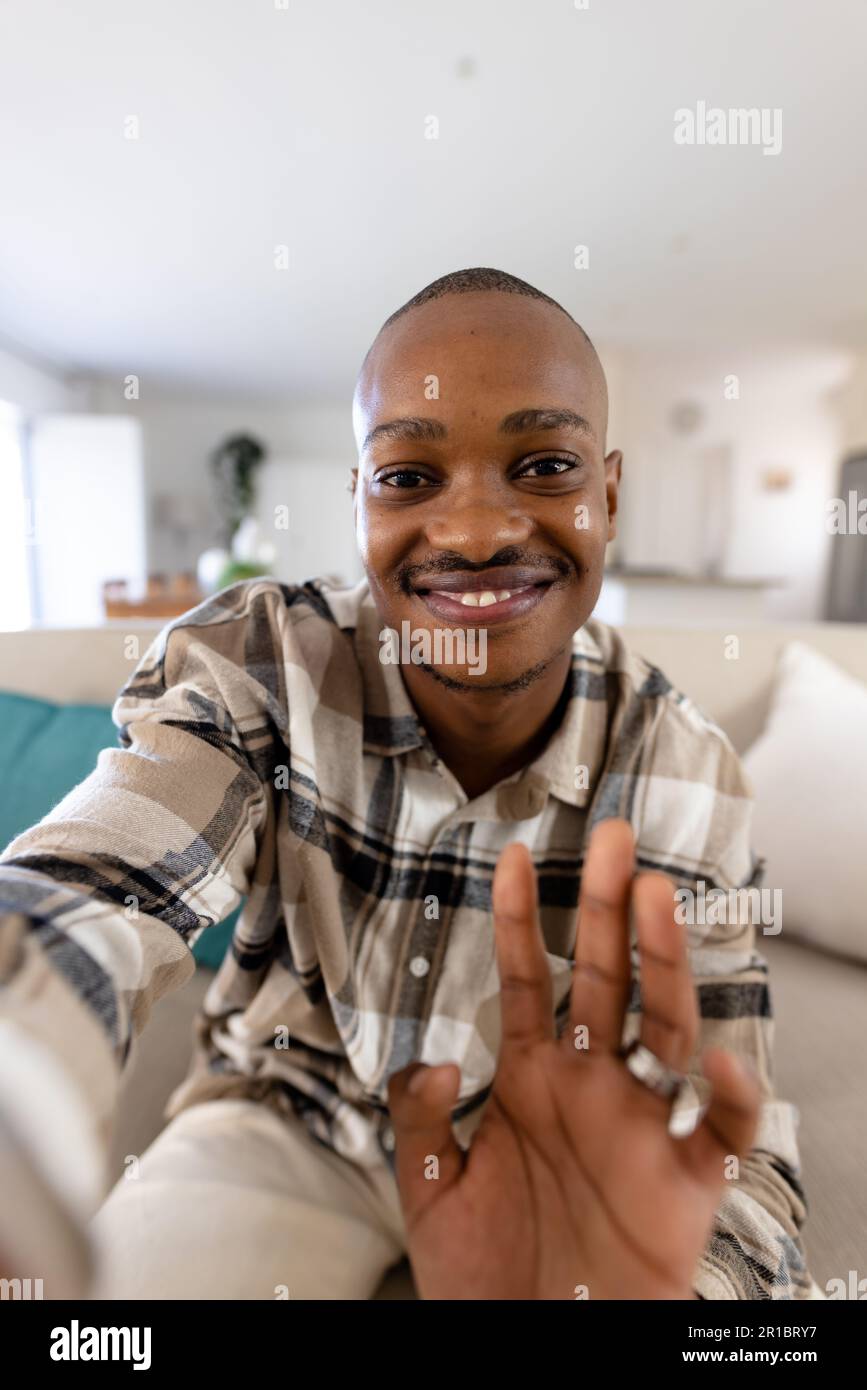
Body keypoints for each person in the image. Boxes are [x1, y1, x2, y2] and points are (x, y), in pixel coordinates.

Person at [0, 267, 819, 1300]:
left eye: (544, 464)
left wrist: (688, 1288)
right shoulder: (262, 662)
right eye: (410, 478)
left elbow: (740, 1147)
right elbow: (106, 879)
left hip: (558, 1160)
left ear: (608, 495)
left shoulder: (685, 768)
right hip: (286, 1119)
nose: (476, 533)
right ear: (359, 503)